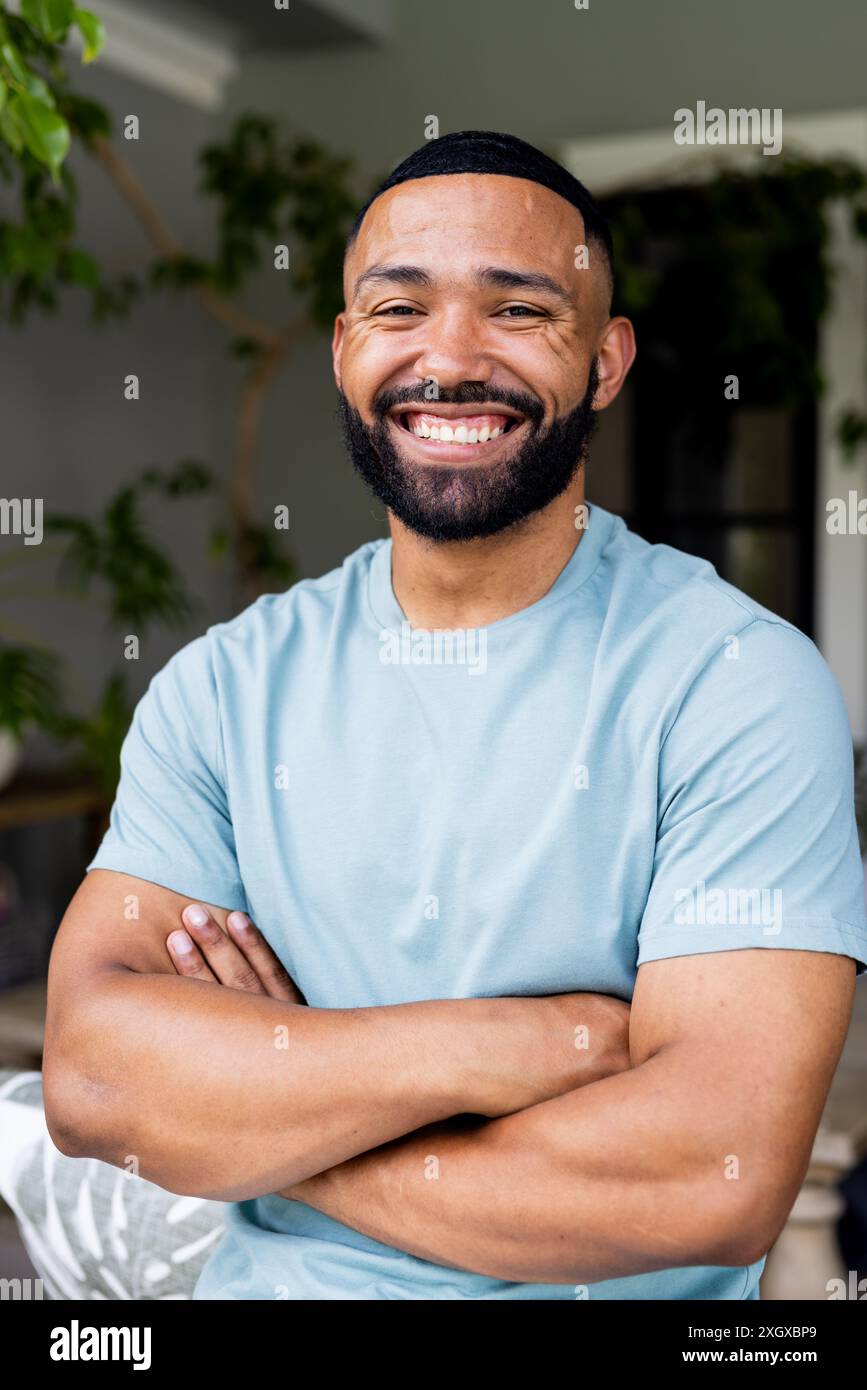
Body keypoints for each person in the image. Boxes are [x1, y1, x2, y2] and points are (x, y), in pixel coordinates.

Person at [43, 131, 867, 1301]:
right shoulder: (225, 688)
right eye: (398, 307)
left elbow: (713, 1178)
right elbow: (92, 1081)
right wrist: (517, 1044)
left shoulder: (736, 684)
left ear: (607, 359)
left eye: (520, 309)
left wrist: (276, 1123)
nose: (451, 357)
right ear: (345, 351)